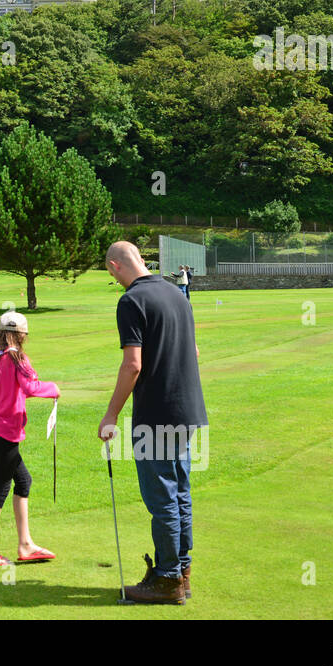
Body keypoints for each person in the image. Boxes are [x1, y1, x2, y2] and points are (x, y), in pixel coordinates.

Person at [100, 241, 208, 605]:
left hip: (157, 414)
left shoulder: (131, 301)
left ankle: (167, 579)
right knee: (179, 493)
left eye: (110, 272)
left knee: (162, 498)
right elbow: (193, 351)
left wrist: (111, 414)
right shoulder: (178, 293)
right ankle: (182, 572)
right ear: (141, 260)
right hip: (188, 410)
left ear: (115, 266)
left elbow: (133, 364)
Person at [0, 311, 60, 566]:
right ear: (21, 336)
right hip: (4, 433)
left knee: (23, 480)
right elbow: (31, 388)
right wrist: (54, 389)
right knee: (1, 488)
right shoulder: (18, 360)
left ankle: (25, 543)